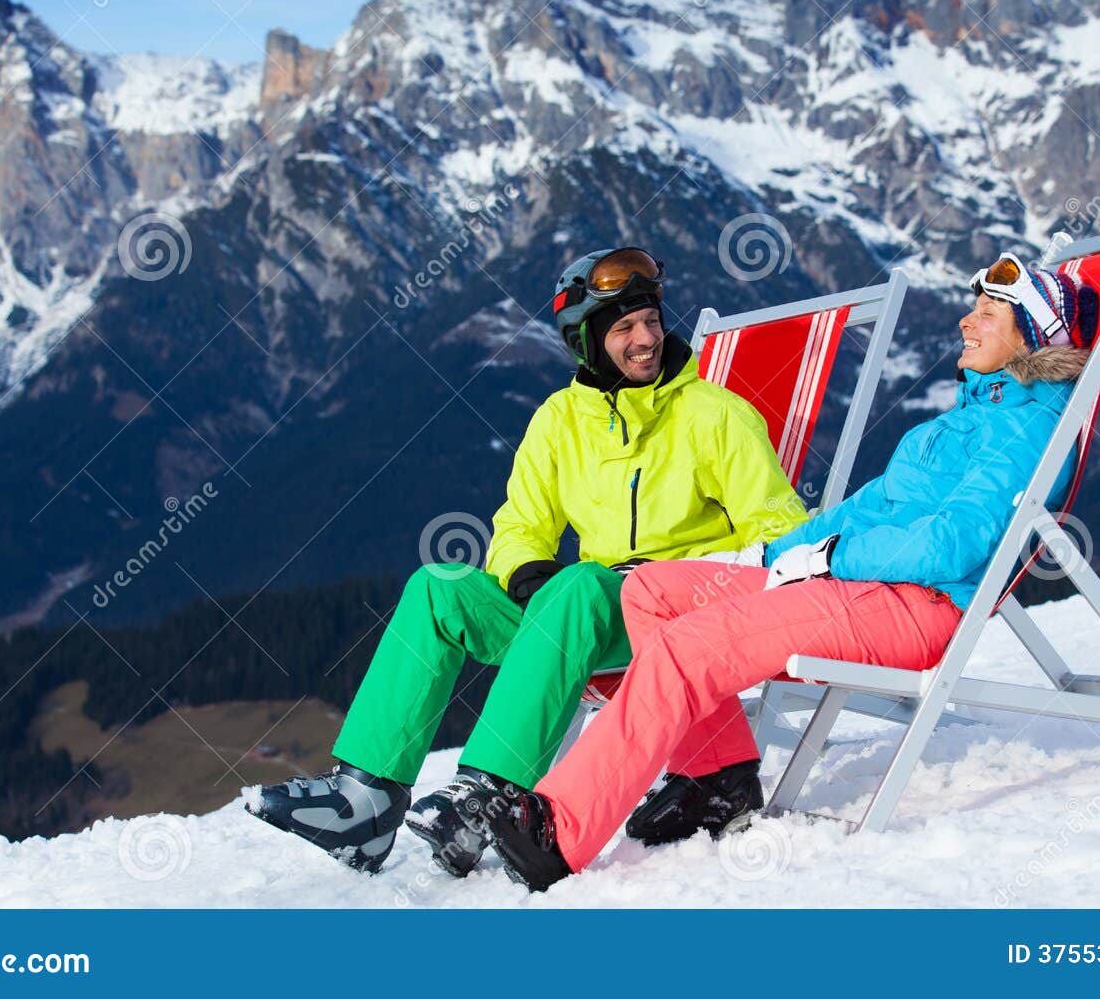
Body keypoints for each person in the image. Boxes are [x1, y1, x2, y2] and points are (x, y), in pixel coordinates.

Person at [470, 253, 1100, 890]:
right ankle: (716, 778)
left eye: (988, 314)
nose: (967, 321)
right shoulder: (966, 416)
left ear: (1030, 338)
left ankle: (561, 829)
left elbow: (950, 547)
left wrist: (830, 559)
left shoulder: (1028, 432)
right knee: (654, 590)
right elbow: (861, 509)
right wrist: (769, 557)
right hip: (857, 582)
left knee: (694, 645)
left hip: (915, 603)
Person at [247, 247, 803, 875]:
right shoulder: (560, 421)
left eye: (650, 320)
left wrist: (669, 583)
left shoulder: (716, 416)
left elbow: (780, 539)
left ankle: (489, 794)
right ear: (587, 342)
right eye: (623, 328)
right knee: (439, 586)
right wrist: (523, 572)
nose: (645, 339)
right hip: (576, 616)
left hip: (670, 618)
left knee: (582, 585)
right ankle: (366, 802)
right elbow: (520, 526)